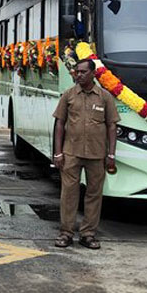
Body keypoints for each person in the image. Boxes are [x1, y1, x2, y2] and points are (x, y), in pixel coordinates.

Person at [51, 58, 118, 250]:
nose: (78, 75)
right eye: (76, 72)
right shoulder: (69, 95)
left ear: (93, 74)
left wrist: (111, 155)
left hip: (97, 155)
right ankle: (66, 233)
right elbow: (60, 124)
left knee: (94, 195)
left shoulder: (104, 97)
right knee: (69, 194)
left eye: (82, 72)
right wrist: (58, 153)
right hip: (71, 153)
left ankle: (88, 234)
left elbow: (112, 126)